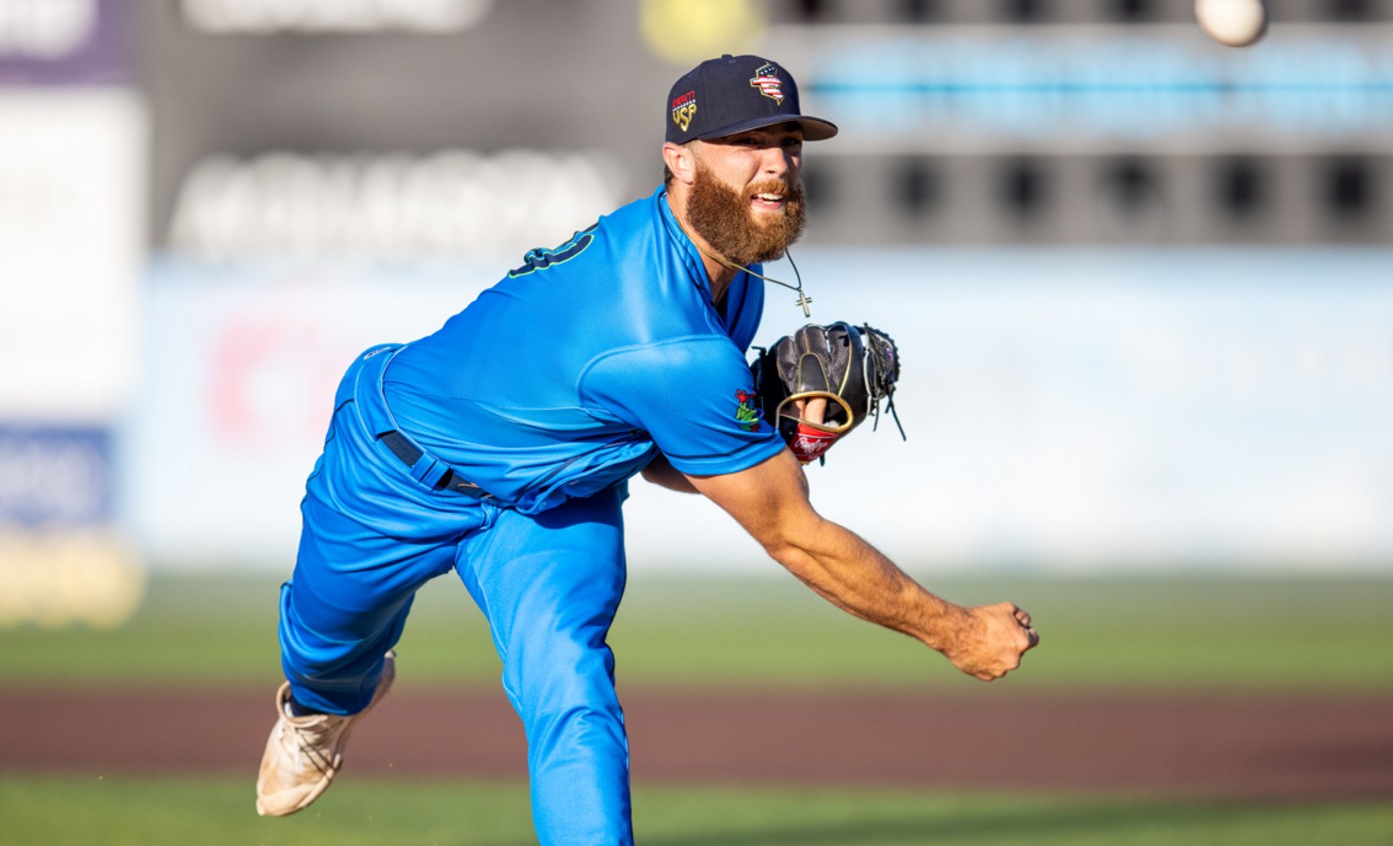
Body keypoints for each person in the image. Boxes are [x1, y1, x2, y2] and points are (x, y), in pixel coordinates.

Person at [255, 54, 1039, 844]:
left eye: (791, 141)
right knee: (326, 658)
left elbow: (669, 448)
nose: (777, 164)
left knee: (573, 693)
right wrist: (956, 631)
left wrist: (755, 450)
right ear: (678, 157)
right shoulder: (668, 333)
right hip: (393, 466)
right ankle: (322, 708)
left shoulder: (728, 279)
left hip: (550, 507)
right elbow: (794, 536)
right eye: (746, 142)